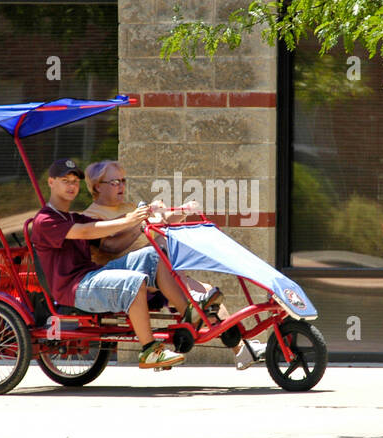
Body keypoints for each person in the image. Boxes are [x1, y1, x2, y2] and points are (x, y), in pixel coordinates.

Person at [81, 159, 267, 370]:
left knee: (207, 290)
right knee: (162, 254)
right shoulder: (91, 215)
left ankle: (241, 349)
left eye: (123, 180)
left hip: (158, 269)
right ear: (97, 185)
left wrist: (183, 211)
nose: (122, 186)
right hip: (126, 272)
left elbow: (160, 221)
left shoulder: (129, 207)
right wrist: (140, 223)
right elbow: (111, 247)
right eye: (115, 182)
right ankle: (192, 311)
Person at [31, 157, 195, 369]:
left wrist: (146, 218)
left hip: (92, 276)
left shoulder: (74, 217)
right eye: (65, 180)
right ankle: (149, 351)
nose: (72, 185)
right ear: (51, 182)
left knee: (154, 255)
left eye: (75, 181)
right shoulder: (46, 220)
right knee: (134, 282)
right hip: (74, 288)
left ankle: (191, 317)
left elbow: (113, 238)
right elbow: (88, 232)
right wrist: (131, 219)